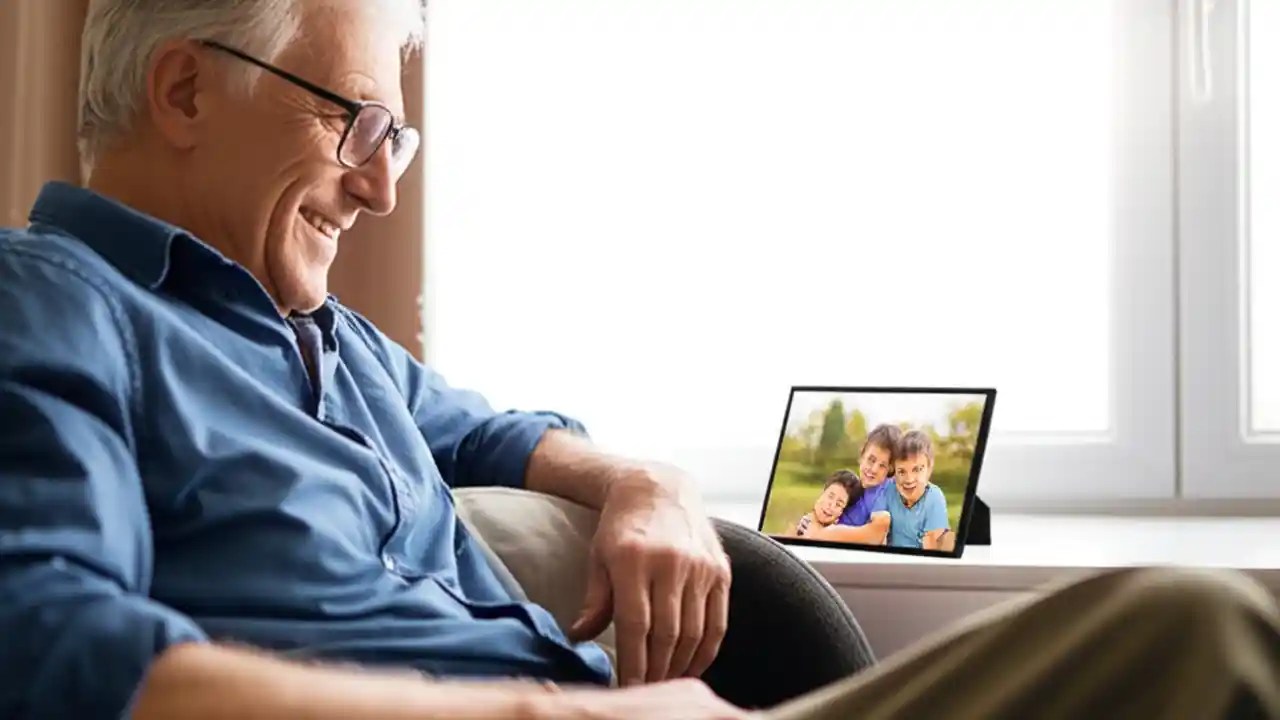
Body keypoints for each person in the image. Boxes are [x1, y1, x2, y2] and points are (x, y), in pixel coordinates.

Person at [2, 2, 1279, 719]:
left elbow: (502, 436)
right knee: (1201, 632)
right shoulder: (55, 303)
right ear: (182, 93)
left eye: (401, 138)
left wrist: (645, 485)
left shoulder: (330, 342)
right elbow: (48, 645)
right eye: (359, 123)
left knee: (1209, 626)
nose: (382, 189)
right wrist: (550, 716)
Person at [804, 424, 898, 545]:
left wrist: (819, 535)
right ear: (862, 456)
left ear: (889, 470)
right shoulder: (856, 486)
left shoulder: (883, 492)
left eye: (882, 465)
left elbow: (876, 534)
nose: (874, 469)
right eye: (871, 460)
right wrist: (814, 520)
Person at [874, 430, 952, 551]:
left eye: (917, 470)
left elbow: (931, 546)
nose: (909, 480)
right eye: (901, 472)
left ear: (929, 469)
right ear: (894, 471)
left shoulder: (934, 498)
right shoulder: (888, 491)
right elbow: (878, 533)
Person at [791, 471, 854, 537]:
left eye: (838, 504)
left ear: (841, 513)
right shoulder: (799, 524)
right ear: (822, 493)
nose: (831, 506)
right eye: (830, 497)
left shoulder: (835, 535)